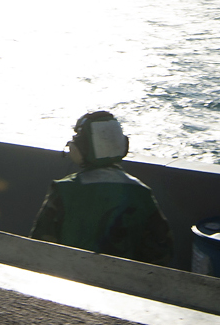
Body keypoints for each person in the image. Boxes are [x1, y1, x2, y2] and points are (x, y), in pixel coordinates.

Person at [29, 110, 172, 266]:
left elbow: (39, 247)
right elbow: (160, 253)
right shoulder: (142, 193)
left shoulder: (63, 190)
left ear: (81, 148)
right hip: (122, 283)